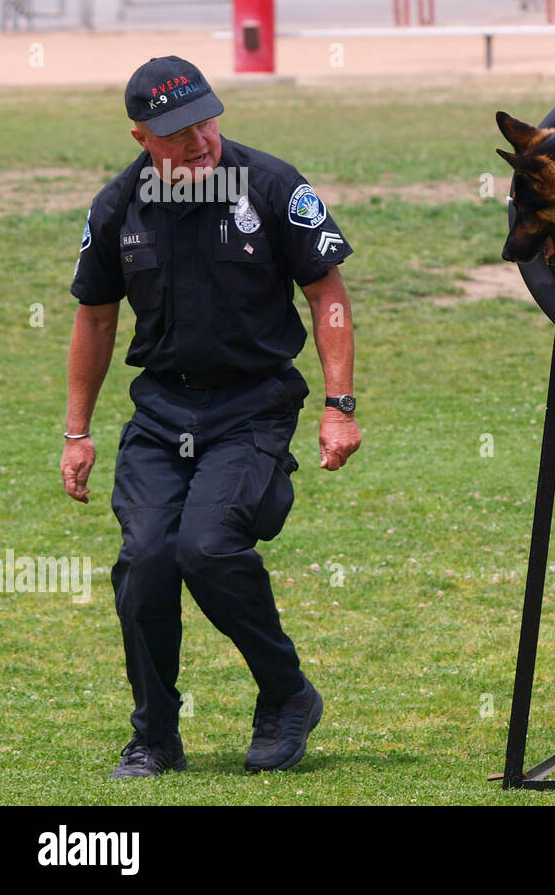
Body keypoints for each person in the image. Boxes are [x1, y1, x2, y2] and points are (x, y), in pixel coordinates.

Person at [63, 56, 361, 776]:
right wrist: (77, 432)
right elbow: (95, 320)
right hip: (163, 408)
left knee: (208, 547)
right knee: (146, 563)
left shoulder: (272, 186)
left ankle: (287, 695)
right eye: (175, 132)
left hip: (253, 404)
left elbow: (328, 296)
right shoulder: (118, 207)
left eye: (205, 119)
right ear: (141, 138)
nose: (198, 140)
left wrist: (339, 406)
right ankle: (156, 736)